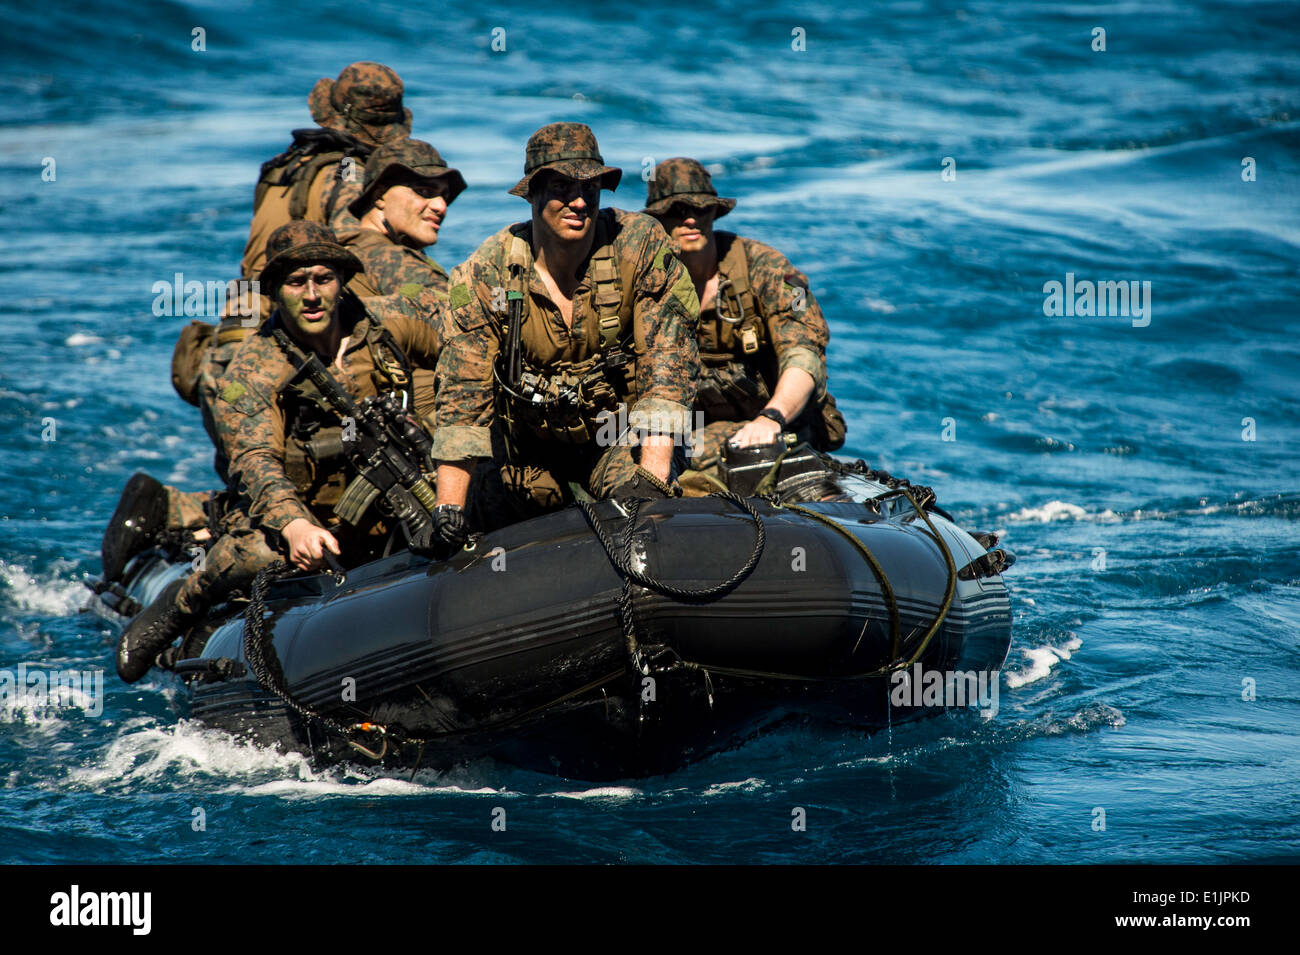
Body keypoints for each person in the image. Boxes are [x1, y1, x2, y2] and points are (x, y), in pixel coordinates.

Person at [101, 63, 416, 581]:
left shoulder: (284, 168)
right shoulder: (349, 179)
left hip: (227, 343)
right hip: (279, 349)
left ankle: (172, 510)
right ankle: (193, 558)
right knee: (280, 490)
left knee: (266, 476)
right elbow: (357, 253)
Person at [115, 222, 445, 683]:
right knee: (255, 556)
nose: (312, 295)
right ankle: (181, 604)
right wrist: (294, 524)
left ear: (341, 281)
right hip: (309, 513)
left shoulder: (388, 323)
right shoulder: (254, 368)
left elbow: (465, 335)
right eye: (296, 282)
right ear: (273, 289)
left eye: (324, 279)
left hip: (400, 489)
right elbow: (254, 459)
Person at [430, 122, 701, 542]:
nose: (578, 202)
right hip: (526, 446)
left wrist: (652, 480)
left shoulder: (639, 244)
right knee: (493, 532)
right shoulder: (486, 273)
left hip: (617, 436)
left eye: (590, 188)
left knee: (649, 518)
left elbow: (667, 361)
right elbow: (464, 399)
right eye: (561, 187)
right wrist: (448, 509)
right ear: (532, 194)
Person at [642, 157, 847, 494]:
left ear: (715, 213)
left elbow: (803, 355)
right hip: (693, 428)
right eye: (677, 211)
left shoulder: (763, 268)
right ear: (657, 220)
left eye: (702, 209)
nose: (691, 219)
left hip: (778, 426)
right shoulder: (648, 280)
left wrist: (773, 418)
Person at [344, 138, 466, 301]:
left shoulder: (349, 251)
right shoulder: (392, 260)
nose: (441, 206)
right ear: (380, 196)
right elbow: (466, 311)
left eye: (444, 196)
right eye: (424, 191)